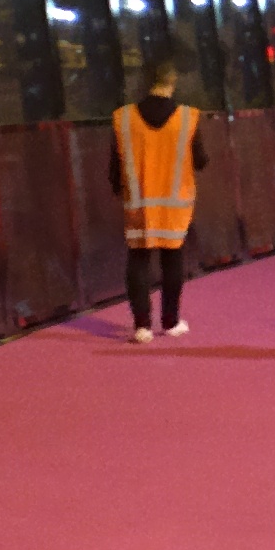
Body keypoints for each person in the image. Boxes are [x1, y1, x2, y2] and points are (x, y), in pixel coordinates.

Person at [111, 53, 208, 340]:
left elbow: (114, 165)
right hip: (175, 205)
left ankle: (141, 326)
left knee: (138, 261)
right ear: (173, 82)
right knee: (172, 261)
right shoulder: (188, 117)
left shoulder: (123, 117)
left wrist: (120, 189)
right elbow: (201, 160)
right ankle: (170, 321)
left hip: (139, 202)